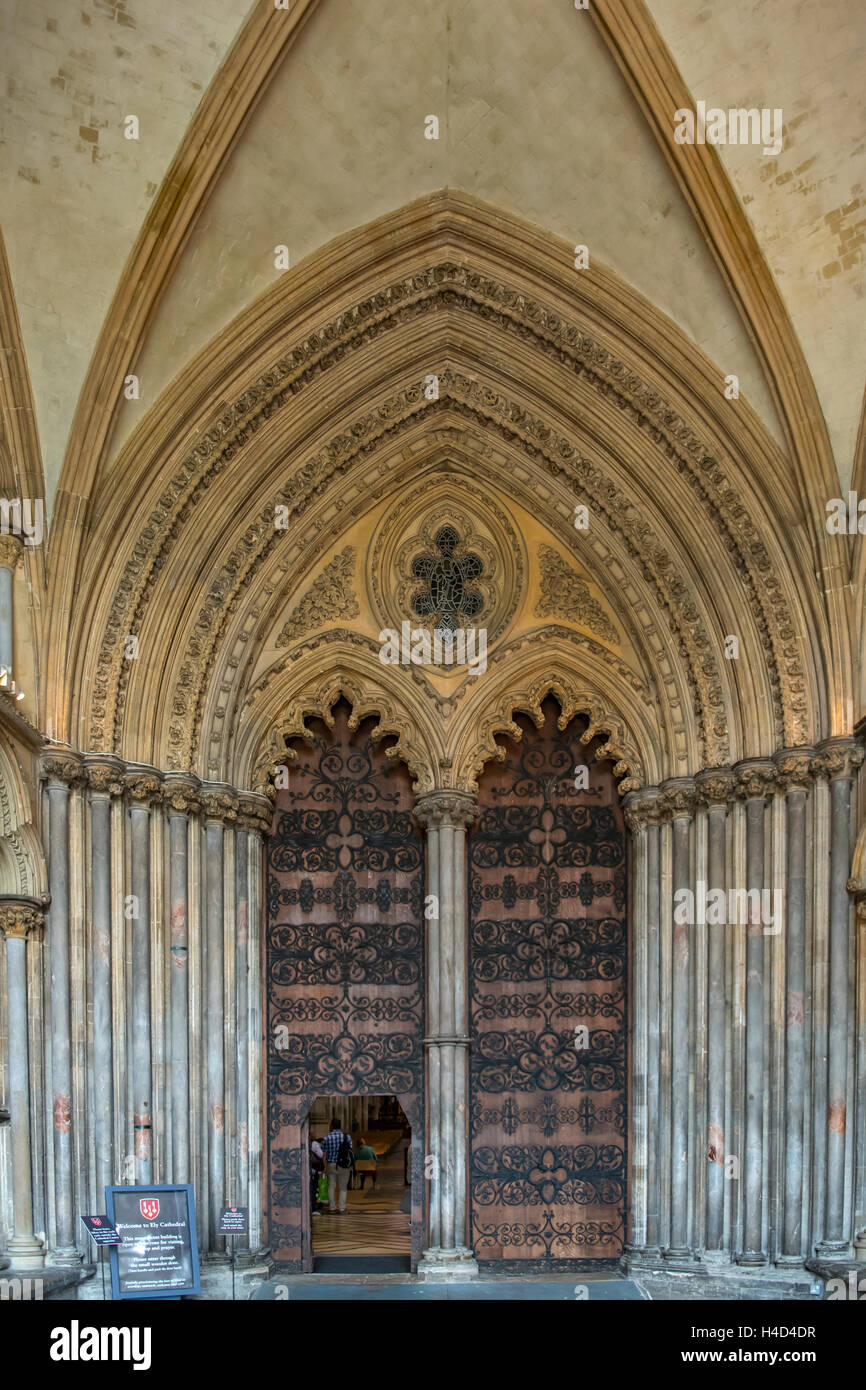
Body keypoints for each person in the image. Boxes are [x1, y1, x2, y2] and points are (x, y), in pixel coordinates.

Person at [320, 1116, 353, 1213]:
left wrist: (324, 1167)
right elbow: (350, 1150)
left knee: (331, 1186)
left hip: (331, 1164)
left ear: (331, 1126)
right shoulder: (347, 1137)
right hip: (343, 1164)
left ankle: (332, 1207)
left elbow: (323, 1154)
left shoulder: (327, 1138)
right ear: (340, 1126)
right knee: (343, 1187)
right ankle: (342, 1208)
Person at [310, 1137, 324, 1217]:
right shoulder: (314, 1144)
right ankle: (314, 1209)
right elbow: (320, 1154)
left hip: (307, 1170)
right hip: (313, 1171)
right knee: (314, 1189)